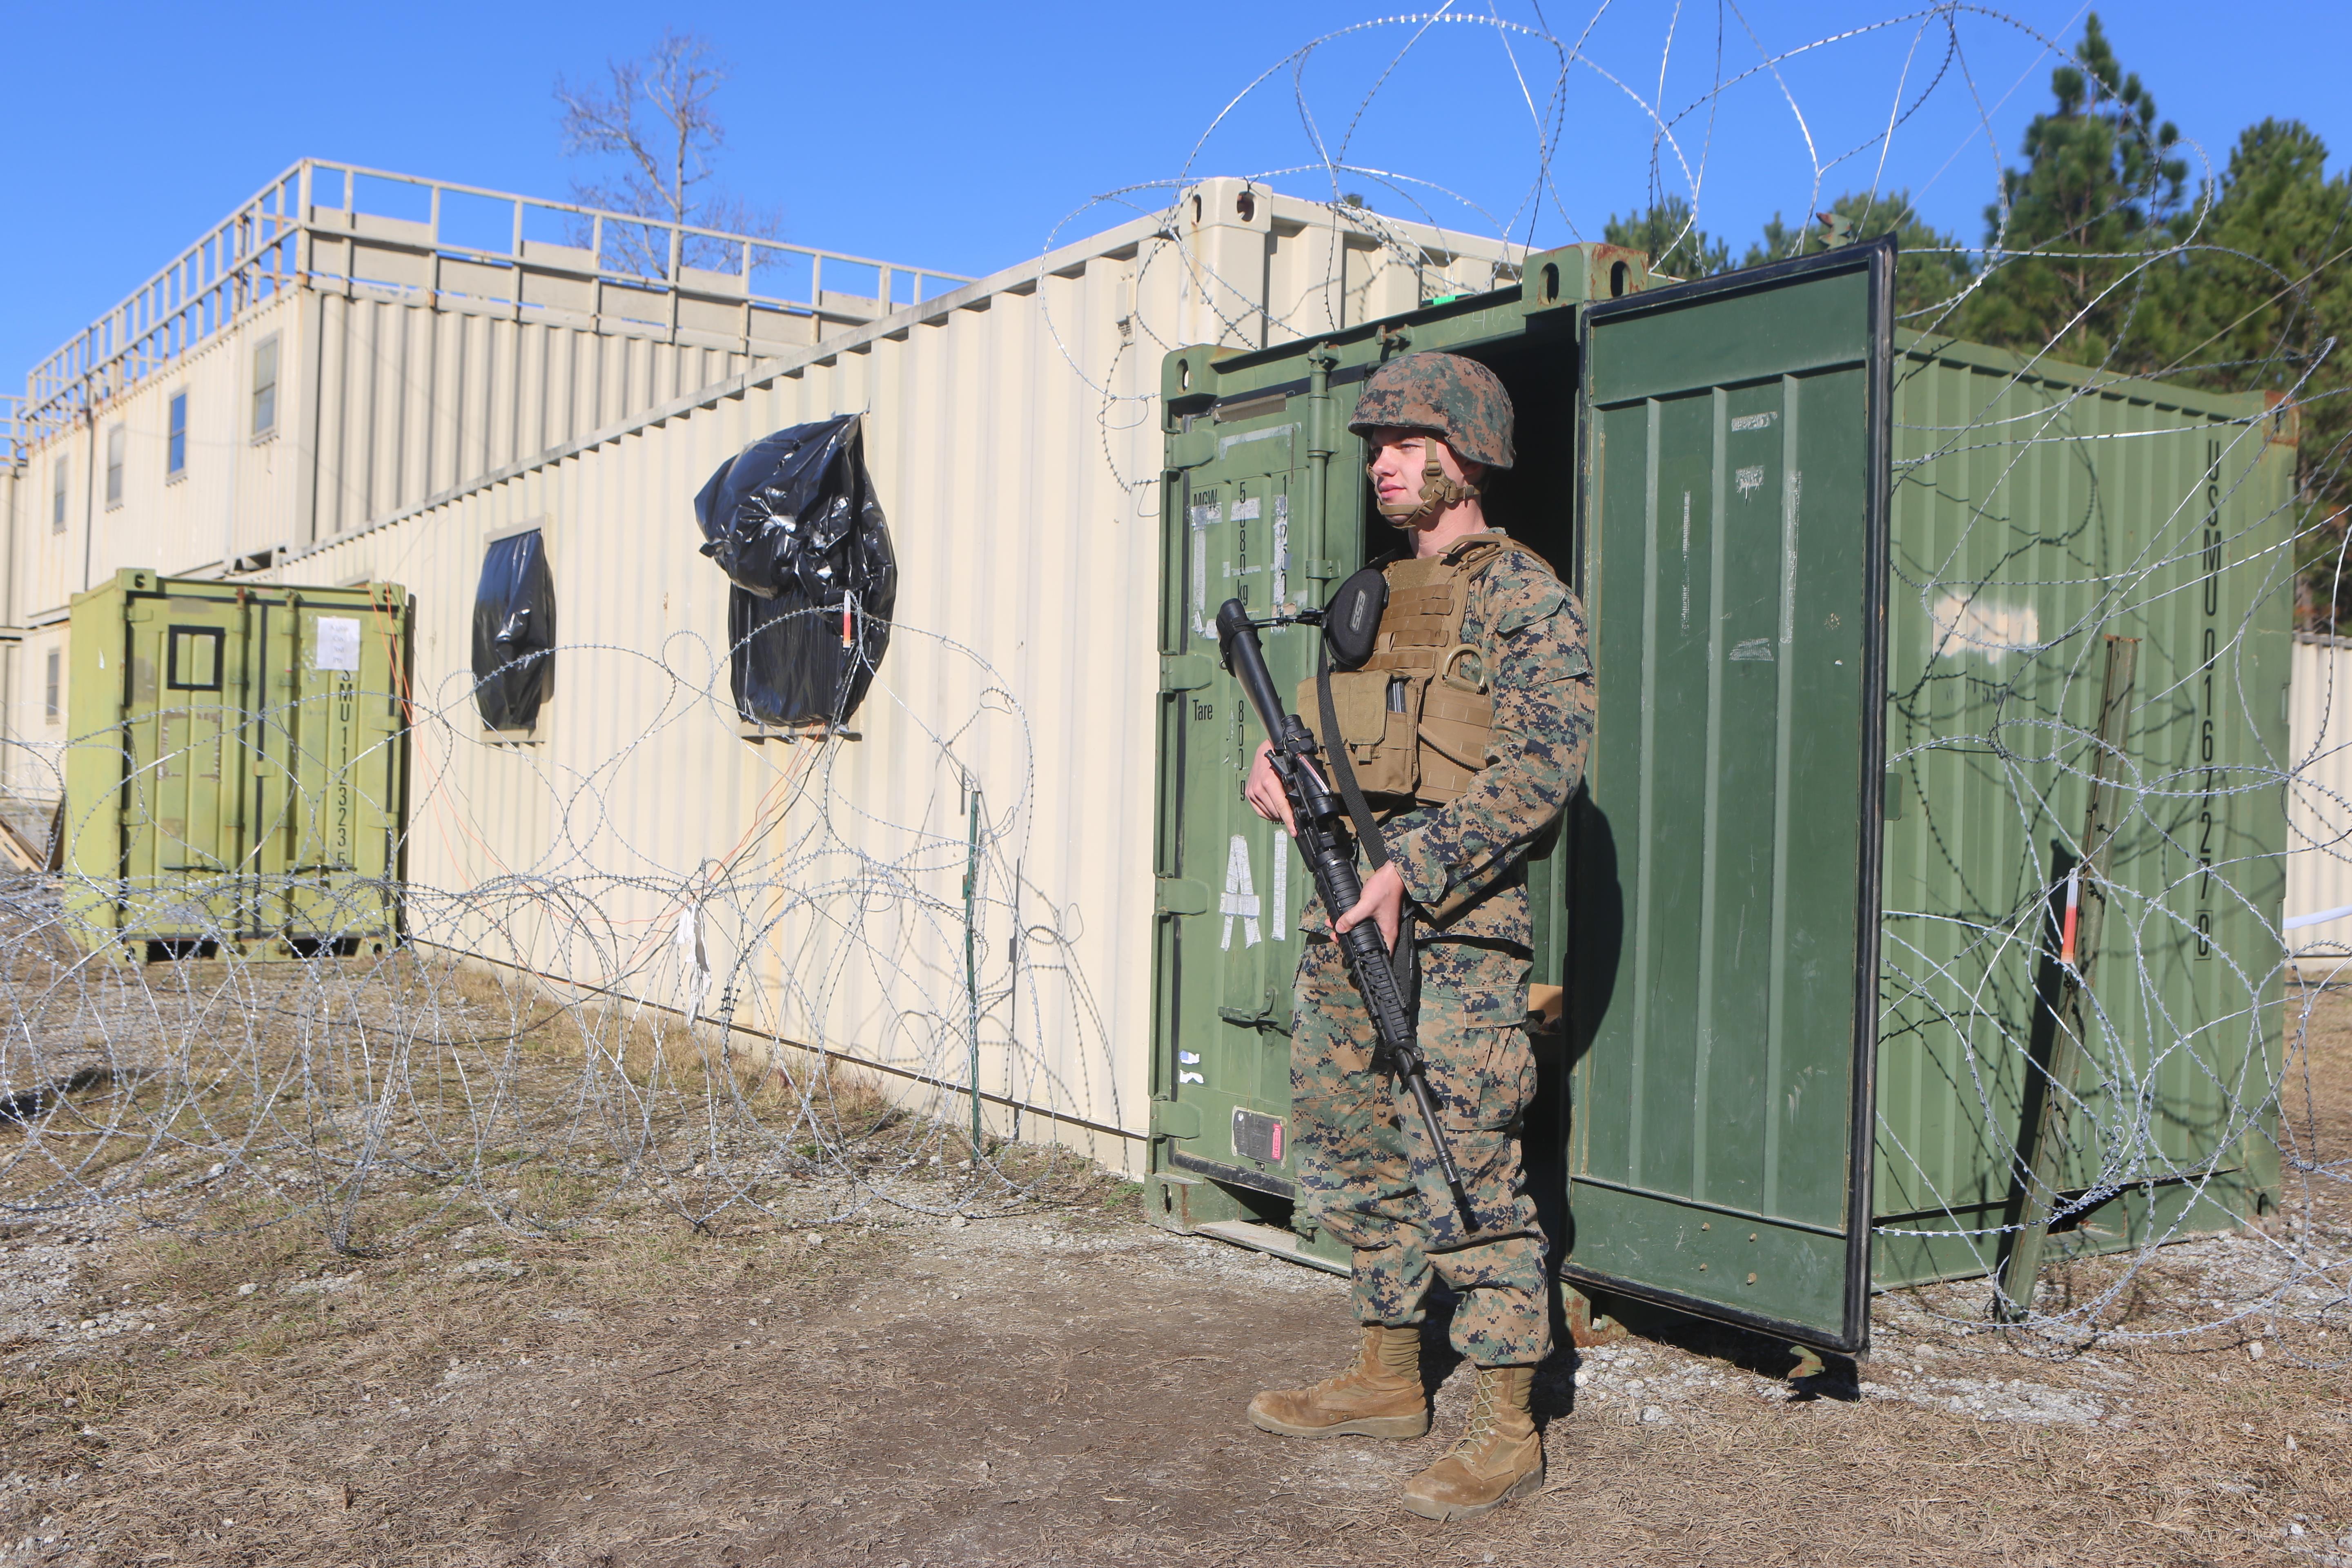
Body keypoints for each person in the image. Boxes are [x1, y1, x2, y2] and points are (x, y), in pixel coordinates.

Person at [1239, 350, 1594, 1521]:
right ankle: (1389, 1377)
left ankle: (1507, 1423)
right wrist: (1276, 765)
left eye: (1405, 443)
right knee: (1353, 1144)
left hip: (1454, 929)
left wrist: (1417, 871)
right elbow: (1329, 730)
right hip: (1346, 915)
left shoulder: (1524, 598)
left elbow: (1545, 766)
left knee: (1464, 1160)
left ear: (1465, 455)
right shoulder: (1374, 595)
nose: (1382, 463)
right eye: (1374, 445)